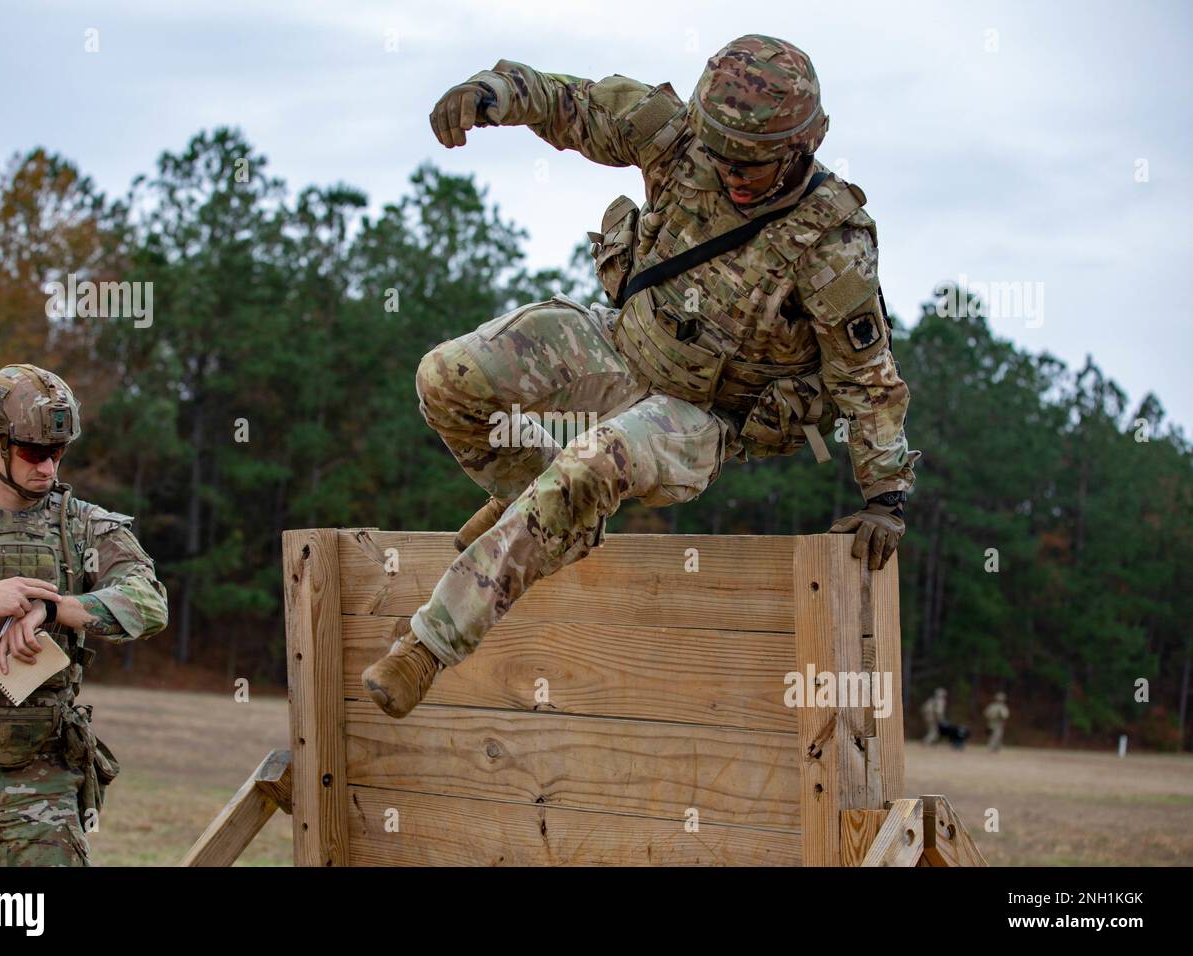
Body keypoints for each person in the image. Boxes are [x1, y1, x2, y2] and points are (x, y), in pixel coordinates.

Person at [363, 34, 921, 719]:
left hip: (701, 415)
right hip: (619, 343)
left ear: (804, 148)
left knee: (593, 465)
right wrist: (492, 94)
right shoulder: (675, 136)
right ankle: (542, 509)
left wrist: (885, 497)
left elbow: (867, 378)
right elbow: (574, 105)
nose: (732, 178)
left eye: (752, 166)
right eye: (720, 160)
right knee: (447, 378)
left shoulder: (832, 245)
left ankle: (428, 646)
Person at [0, 364, 169, 865]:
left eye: (58, 452)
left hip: (44, 775)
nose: (49, 468)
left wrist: (57, 608)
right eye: (34, 452)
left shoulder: (83, 526)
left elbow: (150, 603)